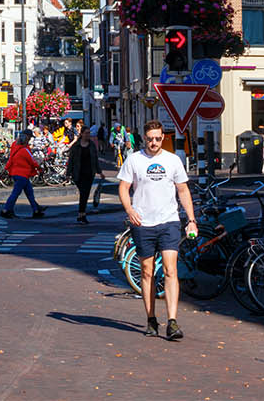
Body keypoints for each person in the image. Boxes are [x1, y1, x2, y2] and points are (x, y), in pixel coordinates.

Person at [118, 119, 196, 341]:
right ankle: (151, 318)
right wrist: (129, 210)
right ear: (144, 138)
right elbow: (123, 188)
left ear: (163, 138)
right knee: (147, 271)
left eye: (158, 139)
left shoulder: (173, 161)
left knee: (171, 269)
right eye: (150, 139)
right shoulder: (134, 160)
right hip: (143, 223)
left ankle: (172, 322)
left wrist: (191, 219)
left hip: (169, 221)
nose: (154, 142)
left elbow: (183, 190)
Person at [0, 130, 45, 219]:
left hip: (15, 173)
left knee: (29, 192)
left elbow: (11, 159)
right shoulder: (25, 149)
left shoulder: (14, 146)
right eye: (30, 138)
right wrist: (40, 168)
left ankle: (36, 209)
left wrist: (5, 169)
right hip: (23, 174)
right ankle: (6, 210)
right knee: (16, 193)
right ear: (27, 138)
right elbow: (32, 162)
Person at [69, 124, 102, 224]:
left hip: (89, 172)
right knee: (83, 192)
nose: (88, 135)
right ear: (82, 134)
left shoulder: (91, 145)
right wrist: (68, 173)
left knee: (85, 193)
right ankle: (81, 214)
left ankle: (81, 214)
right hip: (78, 173)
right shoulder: (76, 146)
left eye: (89, 133)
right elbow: (71, 160)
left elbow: (95, 159)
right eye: (86, 133)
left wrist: (99, 172)